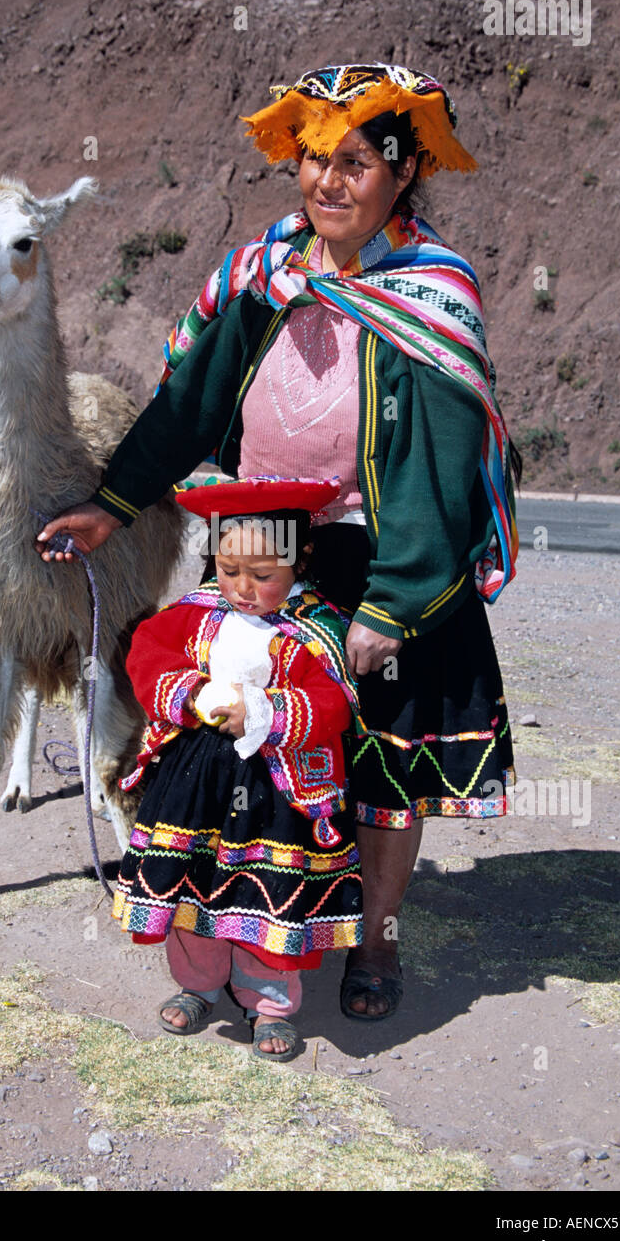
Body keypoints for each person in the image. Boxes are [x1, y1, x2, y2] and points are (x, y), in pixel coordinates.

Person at [38, 62, 519, 1023]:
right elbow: (188, 403)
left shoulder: (431, 296)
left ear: (402, 173)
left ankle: (374, 939)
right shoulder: (267, 274)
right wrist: (114, 504)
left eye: (353, 163)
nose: (327, 183)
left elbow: (435, 469)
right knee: (240, 746)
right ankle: (244, 944)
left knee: (378, 768)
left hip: (380, 561)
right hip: (256, 552)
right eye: (311, 160)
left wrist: (391, 608)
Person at [113, 476, 363, 1061]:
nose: (243, 589)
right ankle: (198, 982)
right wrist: (189, 691)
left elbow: (334, 702)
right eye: (228, 572)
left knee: (270, 887)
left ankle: (269, 1001)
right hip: (197, 775)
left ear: (299, 559)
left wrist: (266, 710)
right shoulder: (197, 611)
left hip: (276, 782)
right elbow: (147, 651)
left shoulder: (318, 627)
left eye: (262, 576)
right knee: (191, 878)